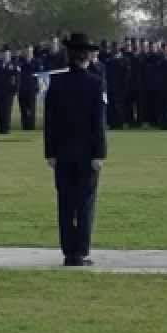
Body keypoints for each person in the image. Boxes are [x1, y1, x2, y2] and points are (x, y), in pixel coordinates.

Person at [43, 33, 107, 267]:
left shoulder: (56, 83)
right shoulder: (95, 83)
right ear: (87, 56)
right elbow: (98, 123)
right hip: (87, 153)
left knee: (65, 202)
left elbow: (49, 122)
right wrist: (100, 153)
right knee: (85, 202)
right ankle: (81, 250)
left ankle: (69, 251)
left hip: (62, 152)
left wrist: (49, 152)